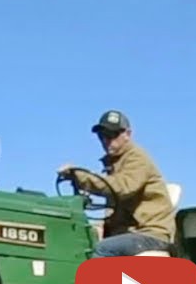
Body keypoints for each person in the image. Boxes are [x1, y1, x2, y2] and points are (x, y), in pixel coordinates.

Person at [58, 110, 176, 258]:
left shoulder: (137, 158)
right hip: (131, 233)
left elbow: (121, 187)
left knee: (102, 249)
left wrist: (81, 177)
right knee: (83, 243)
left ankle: (92, 282)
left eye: (113, 135)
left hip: (149, 234)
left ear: (128, 134)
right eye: (102, 136)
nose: (107, 140)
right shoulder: (115, 163)